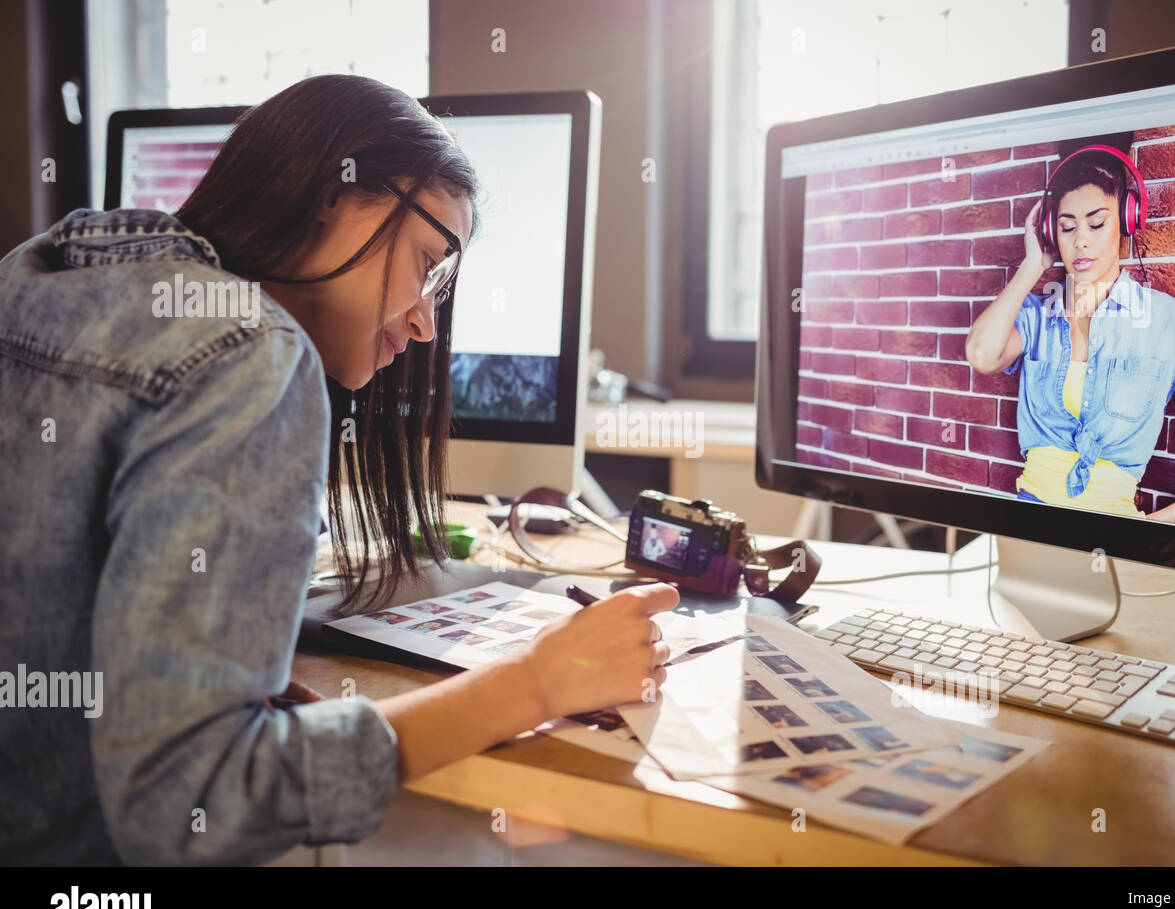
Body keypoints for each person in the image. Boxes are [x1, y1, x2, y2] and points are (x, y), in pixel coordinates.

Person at [0, 75, 674, 865]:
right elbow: (190, 805)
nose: (426, 322)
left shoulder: (39, 272)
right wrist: (535, 683)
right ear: (337, 193)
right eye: (430, 262)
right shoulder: (249, 356)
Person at [965, 145, 1175, 520]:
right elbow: (982, 355)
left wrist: (1163, 525)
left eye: (1096, 224)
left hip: (1118, 535)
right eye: (1067, 227)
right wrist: (1033, 265)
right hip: (1032, 521)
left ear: (1128, 220)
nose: (1081, 240)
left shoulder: (1167, 320)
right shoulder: (1037, 316)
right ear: (1052, 232)